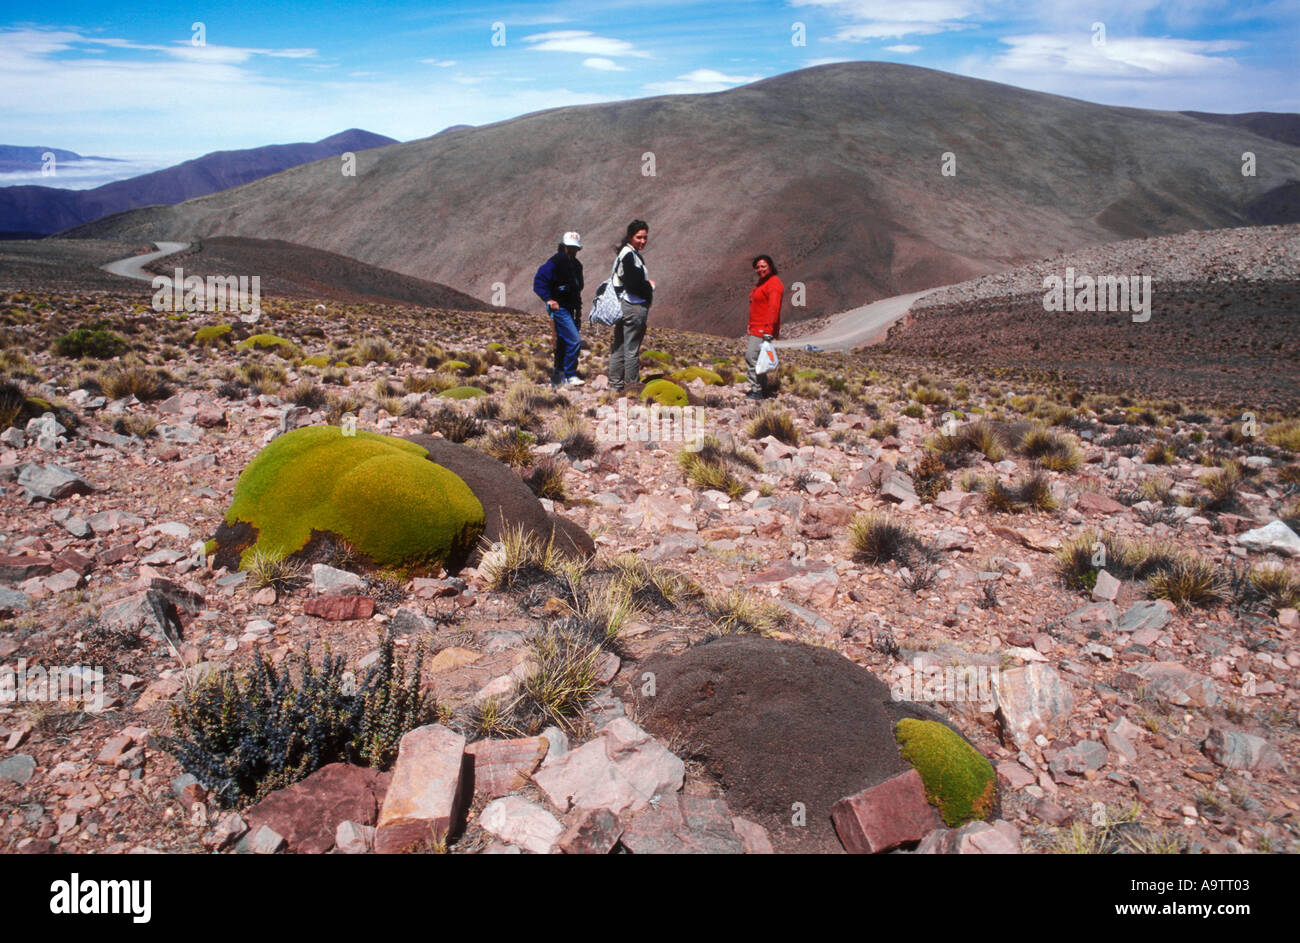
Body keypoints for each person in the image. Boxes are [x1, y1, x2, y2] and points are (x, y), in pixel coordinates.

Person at [533, 231, 585, 387]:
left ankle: (558, 375)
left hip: (572, 308)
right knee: (575, 340)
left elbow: (577, 288)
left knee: (563, 341)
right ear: (564, 246)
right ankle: (570, 374)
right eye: (570, 247)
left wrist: (578, 306)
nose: (572, 250)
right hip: (560, 308)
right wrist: (549, 300)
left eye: (575, 247)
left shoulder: (576, 265)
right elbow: (539, 282)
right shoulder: (554, 263)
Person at [608, 219, 654, 392]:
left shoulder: (626, 253)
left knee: (619, 345)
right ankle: (633, 387)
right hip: (634, 307)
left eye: (645, 238)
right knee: (631, 348)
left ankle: (615, 385)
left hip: (623, 306)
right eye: (639, 237)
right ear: (630, 236)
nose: (642, 241)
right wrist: (649, 286)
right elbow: (633, 284)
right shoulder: (630, 256)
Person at [745, 254, 784, 399]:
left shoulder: (774, 284)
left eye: (763, 266)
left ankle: (757, 390)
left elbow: (773, 309)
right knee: (758, 359)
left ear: (770, 266)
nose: (760, 269)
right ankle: (764, 389)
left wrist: (768, 331)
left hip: (763, 328)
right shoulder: (762, 283)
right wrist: (750, 324)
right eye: (757, 267)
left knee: (751, 357)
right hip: (756, 327)